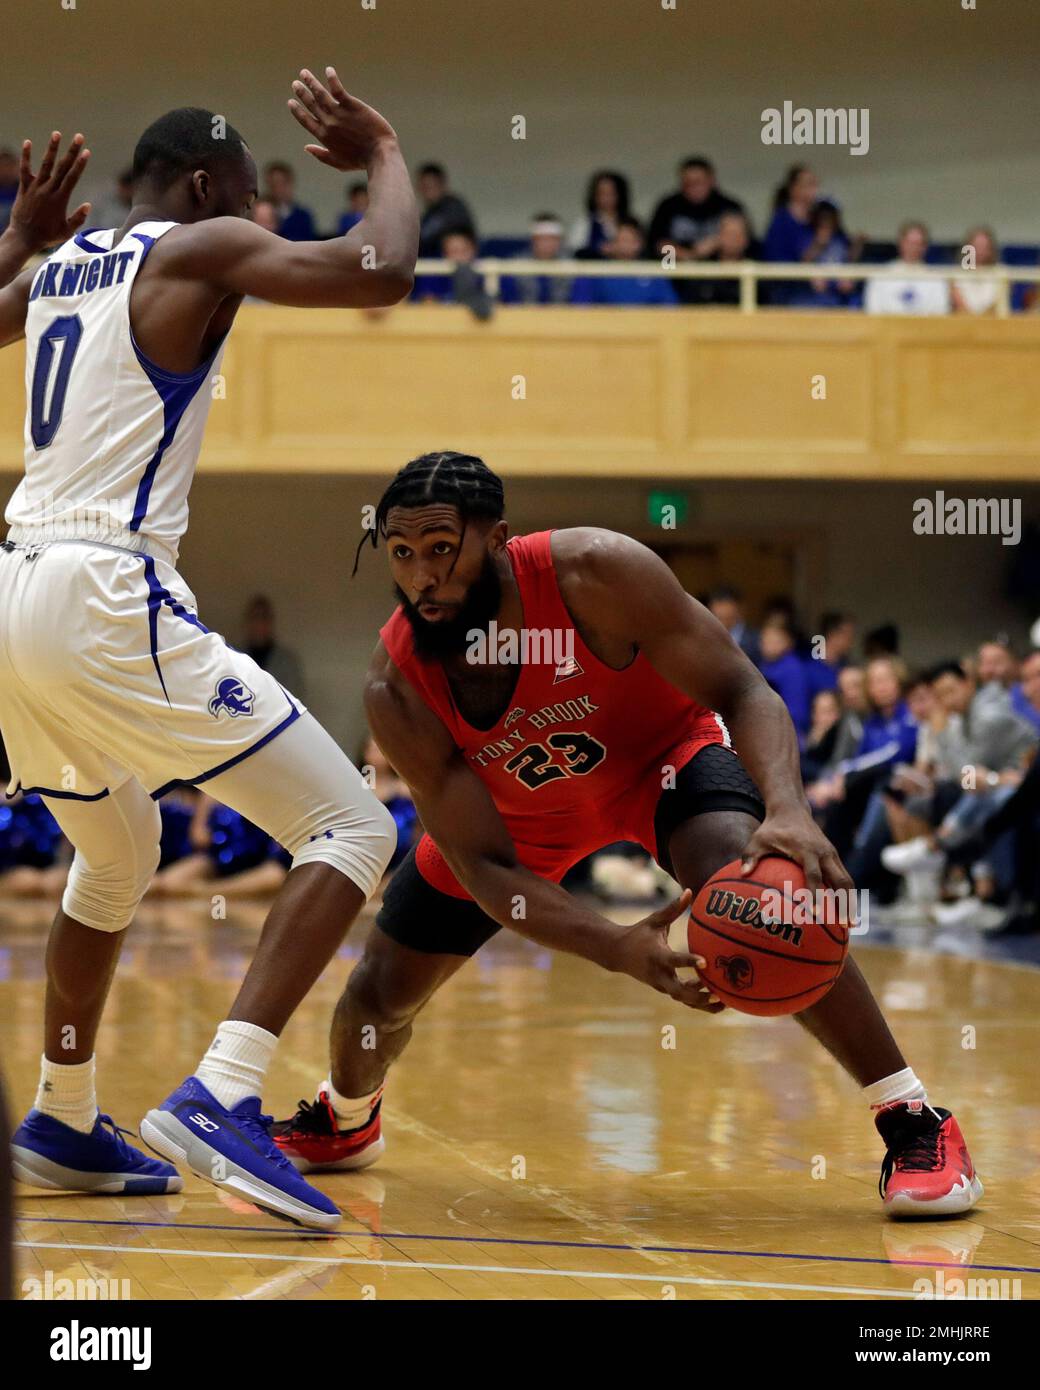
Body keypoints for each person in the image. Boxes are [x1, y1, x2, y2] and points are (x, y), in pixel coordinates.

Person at [272, 451, 982, 1219]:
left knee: (768, 889)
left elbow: (743, 687)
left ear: (498, 538)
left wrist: (787, 809)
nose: (422, 576)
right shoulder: (395, 682)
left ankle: (915, 1120)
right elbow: (480, 862)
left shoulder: (595, 573)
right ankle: (347, 1120)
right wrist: (612, 945)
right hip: (515, 821)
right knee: (375, 997)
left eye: (442, 548)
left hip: (660, 763)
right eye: (402, 554)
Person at [0, 68, 418, 1231]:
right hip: (99, 582)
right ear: (199, 187)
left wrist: (15, 243)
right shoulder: (190, 248)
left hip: (13, 587)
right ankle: (224, 1091)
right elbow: (380, 269)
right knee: (351, 827)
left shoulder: (53, 272)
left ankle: (63, 1113)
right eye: (245, 199)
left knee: (117, 850)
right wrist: (381, 149)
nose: (260, 225)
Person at [648, 157, 747, 305]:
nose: (693, 187)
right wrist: (690, 255)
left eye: (699, 182)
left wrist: (718, 241)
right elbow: (659, 244)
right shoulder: (668, 206)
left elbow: (743, 241)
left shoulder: (728, 206)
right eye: (687, 183)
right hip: (678, 275)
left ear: (711, 181)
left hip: (722, 276)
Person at [572, 218, 676, 306]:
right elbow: (582, 306)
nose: (624, 245)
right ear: (612, 243)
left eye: (629, 240)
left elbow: (669, 305)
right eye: (620, 239)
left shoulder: (654, 273)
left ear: (639, 244)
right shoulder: (598, 271)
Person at [865, 221, 950, 316]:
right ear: (900, 243)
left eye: (919, 243)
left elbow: (940, 314)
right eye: (909, 243)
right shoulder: (879, 275)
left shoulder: (937, 278)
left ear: (925, 247)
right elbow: (873, 313)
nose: (913, 248)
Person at [242, 593, 305, 698]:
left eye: (263, 617)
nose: (259, 623)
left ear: (270, 621)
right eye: (255, 617)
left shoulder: (287, 663)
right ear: (248, 622)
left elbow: (295, 700)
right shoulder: (236, 657)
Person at [416, 162, 476, 258]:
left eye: (432, 186)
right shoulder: (428, 214)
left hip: (453, 269)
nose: (428, 192)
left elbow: (459, 243)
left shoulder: (453, 208)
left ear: (443, 185)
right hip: (434, 266)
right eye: (425, 187)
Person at [568, 170, 630, 257]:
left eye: (611, 193)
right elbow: (574, 251)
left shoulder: (630, 223)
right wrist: (598, 250)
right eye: (601, 193)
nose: (606, 198)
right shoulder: (584, 223)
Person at [951, 226, 1001, 316]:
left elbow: (997, 303)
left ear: (991, 249)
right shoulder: (957, 274)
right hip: (963, 324)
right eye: (976, 246)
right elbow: (959, 303)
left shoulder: (1001, 273)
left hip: (991, 323)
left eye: (984, 246)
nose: (980, 251)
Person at [262, 160, 316, 241]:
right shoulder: (262, 213)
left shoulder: (303, 216)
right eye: (274, 184)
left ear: (290, 183)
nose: (278, 189)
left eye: (282, 183)